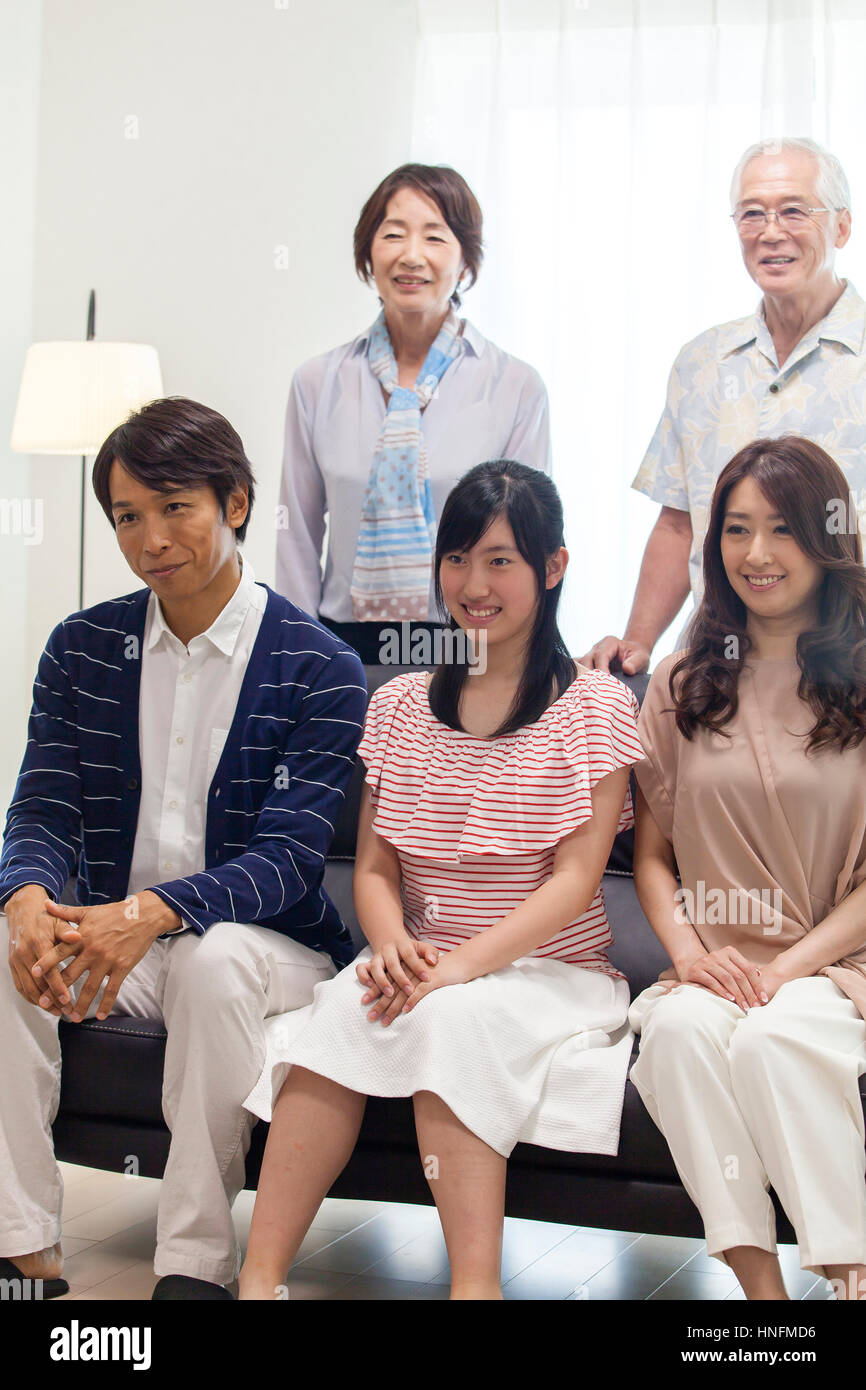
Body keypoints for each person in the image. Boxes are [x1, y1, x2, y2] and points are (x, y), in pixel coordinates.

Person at [239, 460, 643, 1300]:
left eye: (500, 560)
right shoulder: (398, 705)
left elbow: (576, 881)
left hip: (548, 971)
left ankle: (474, 1288)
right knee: (340, 1015)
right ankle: (259, 1278)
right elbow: (374, 866)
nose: (473, 585)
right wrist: (391, 948)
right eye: (457, 559)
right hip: (422, 959)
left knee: (454, 1017)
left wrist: (456, 969)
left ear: (553, 567)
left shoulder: (596, 708)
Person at [0, 397, 366, 1301]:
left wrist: (151, 913)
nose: (151, 540)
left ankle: (195, 1264)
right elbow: (43, 807)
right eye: (128, 517)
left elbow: (289, 859)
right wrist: (27, 898)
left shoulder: (319, 666)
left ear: (234, 503)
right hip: (119, 942)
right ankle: (24, 1246)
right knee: (5, 946)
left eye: (175, 508)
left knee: (214, 959)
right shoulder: (82, 649)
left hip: (269, 947)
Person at [629, 435, 866, 1301]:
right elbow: (652, 856)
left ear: (826, 537)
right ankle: (766, 1307)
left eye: (782, 529)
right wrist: (690, 957)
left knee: (773, 1039)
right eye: (736, 529)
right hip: (721, 965)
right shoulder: (680, 683)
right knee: (679, 1037)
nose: (756, 553)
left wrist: (788, 969)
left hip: (837, 963)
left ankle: (852, 1275)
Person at [584, 135, 866, 675]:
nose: (771, 231)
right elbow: (679, 523)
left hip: (849, 670)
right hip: (718, 669)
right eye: (752, 214)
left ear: (842, 227)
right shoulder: (702, 362)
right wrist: (639, 639)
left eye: (794, 211)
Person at [276, 163, 551, 663]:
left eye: (435, 237)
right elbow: (296, 533)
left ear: (466, 260)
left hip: (468, 644)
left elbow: (527, 542)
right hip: (340, 647)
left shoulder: (515, 386)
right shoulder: (317, 382)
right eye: (393, 234)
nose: (411, 255)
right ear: (368, 253)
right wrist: (297, 653)